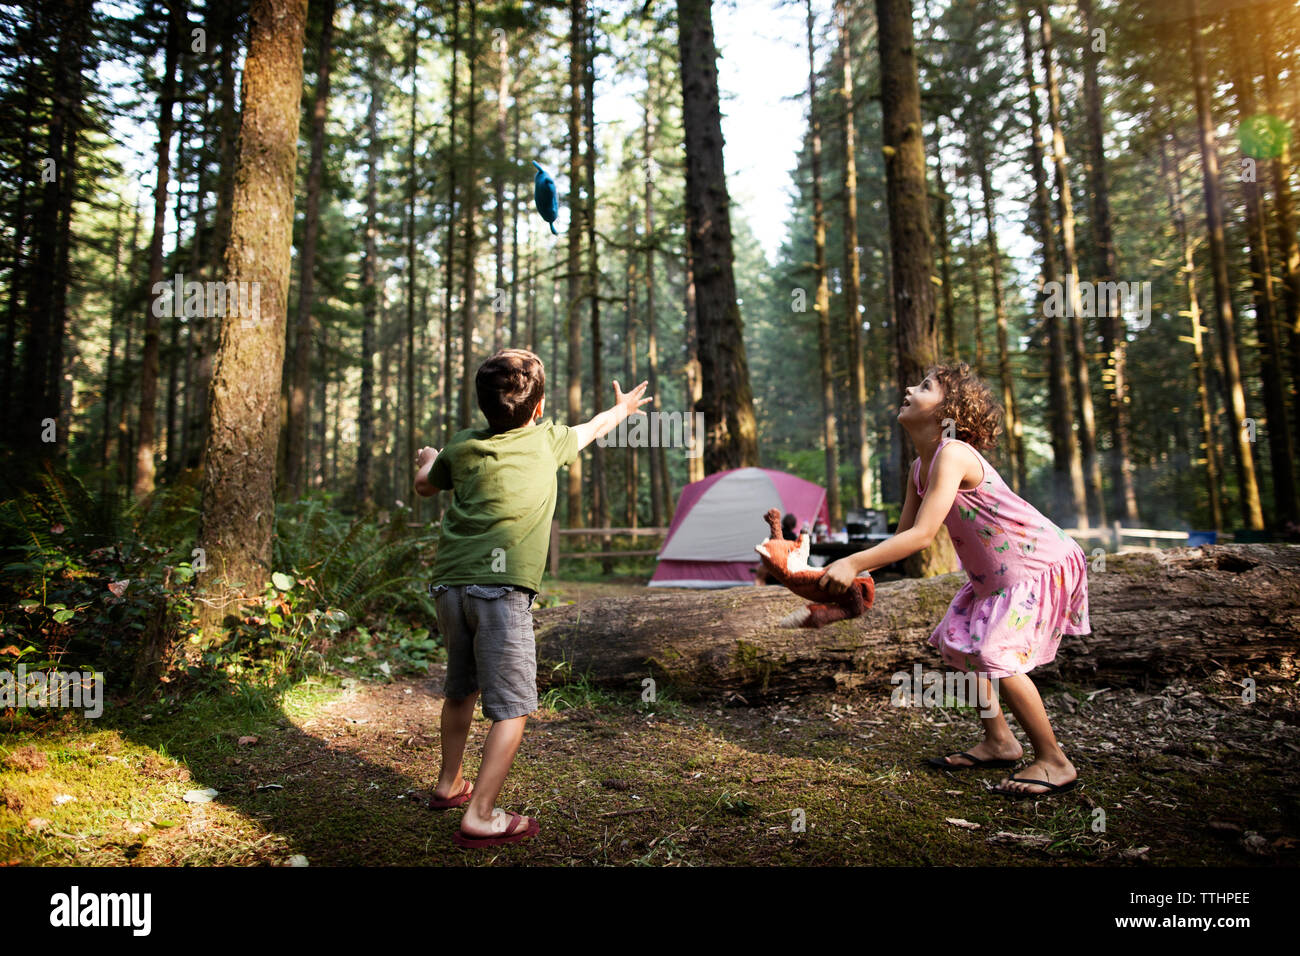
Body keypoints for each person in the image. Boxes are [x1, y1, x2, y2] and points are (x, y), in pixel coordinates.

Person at [818, 361, 1090, 797]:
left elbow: (925, 536)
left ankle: (1054, 760)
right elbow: (904, 537)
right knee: (960, 646)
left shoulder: (953, 453)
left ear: (951, 413)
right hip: (993, 578)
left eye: (924, 386)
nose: (909, 388)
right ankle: (1000, 741)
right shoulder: (919, 468)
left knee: (994, 653)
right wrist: (854, 576)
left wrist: (850, 561)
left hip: (1035, 563)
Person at [414, 349, 651, 846]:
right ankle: (480, 814)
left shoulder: (460, 447)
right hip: (500, 593)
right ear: (538, 406)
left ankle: (447, 785)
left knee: (461, 690)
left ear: (482, 405)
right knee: (513, 707)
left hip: (450, 588)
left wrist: (429, 460)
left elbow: (423, 487)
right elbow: (594, 427)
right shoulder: (548, 440)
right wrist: (624, 409)